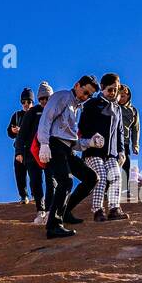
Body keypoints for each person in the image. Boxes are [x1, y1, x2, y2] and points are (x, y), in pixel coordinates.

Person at [37, 75, 104, 239]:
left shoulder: (77, 107)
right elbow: (46, 119)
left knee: (91, 177)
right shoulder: (62, 97)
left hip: (67, 150)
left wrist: (91, 143)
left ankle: (65, 212)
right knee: (65, 181)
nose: (85, 96)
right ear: (77, 85)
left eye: (89, 95)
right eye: (85, 91)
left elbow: (73, 142)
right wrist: (44, 144)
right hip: (53, 146)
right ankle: (53, 226)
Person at [78, 73, 130, 221]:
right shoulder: (92, 104)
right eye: (109, 90)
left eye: (115, 89)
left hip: (111, 152)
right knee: (100, 176)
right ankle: (98, 210)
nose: (112, 93)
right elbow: (82, 126)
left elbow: (120, 131)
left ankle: (114, 208)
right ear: (102, 88)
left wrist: (121, 151)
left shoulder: (117, 109)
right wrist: (91, 138)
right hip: (93, 151)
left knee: (116, 176)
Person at [15, 81, 53, 223]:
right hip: (32, 154)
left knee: (51, 181)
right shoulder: (32, 112)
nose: (44, 101)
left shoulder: (55, 111)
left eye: (47, 98)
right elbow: (22, 134)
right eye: (41, 98)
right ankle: (40, 210)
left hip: (50, 153)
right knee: (35, 182)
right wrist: (19, 151)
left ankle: (50, 210)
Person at [8, 88, 35, 205]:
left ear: (32, 102)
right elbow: (9, 132)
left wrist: (22, 131)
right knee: (19, 174)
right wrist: (13, 131)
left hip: (33, 149)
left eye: (28, 101)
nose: (26, 104)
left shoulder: (36, 114)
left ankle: (35, 195)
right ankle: (23, 196)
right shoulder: (17, 115)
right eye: (23, 102)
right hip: (19, 148)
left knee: (34, 173)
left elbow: (39, 131)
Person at [118, 85, 140, 202]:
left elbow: (135, 129)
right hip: (112, 142)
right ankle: (108, 188)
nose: (121, 98)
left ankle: (126, 188)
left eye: (123, 96)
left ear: (128, 96)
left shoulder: (133, 111)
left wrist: (135, 145)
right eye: (119, 95)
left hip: (125, 142)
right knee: (112, 165)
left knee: (126, 164)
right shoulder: (113, 107)